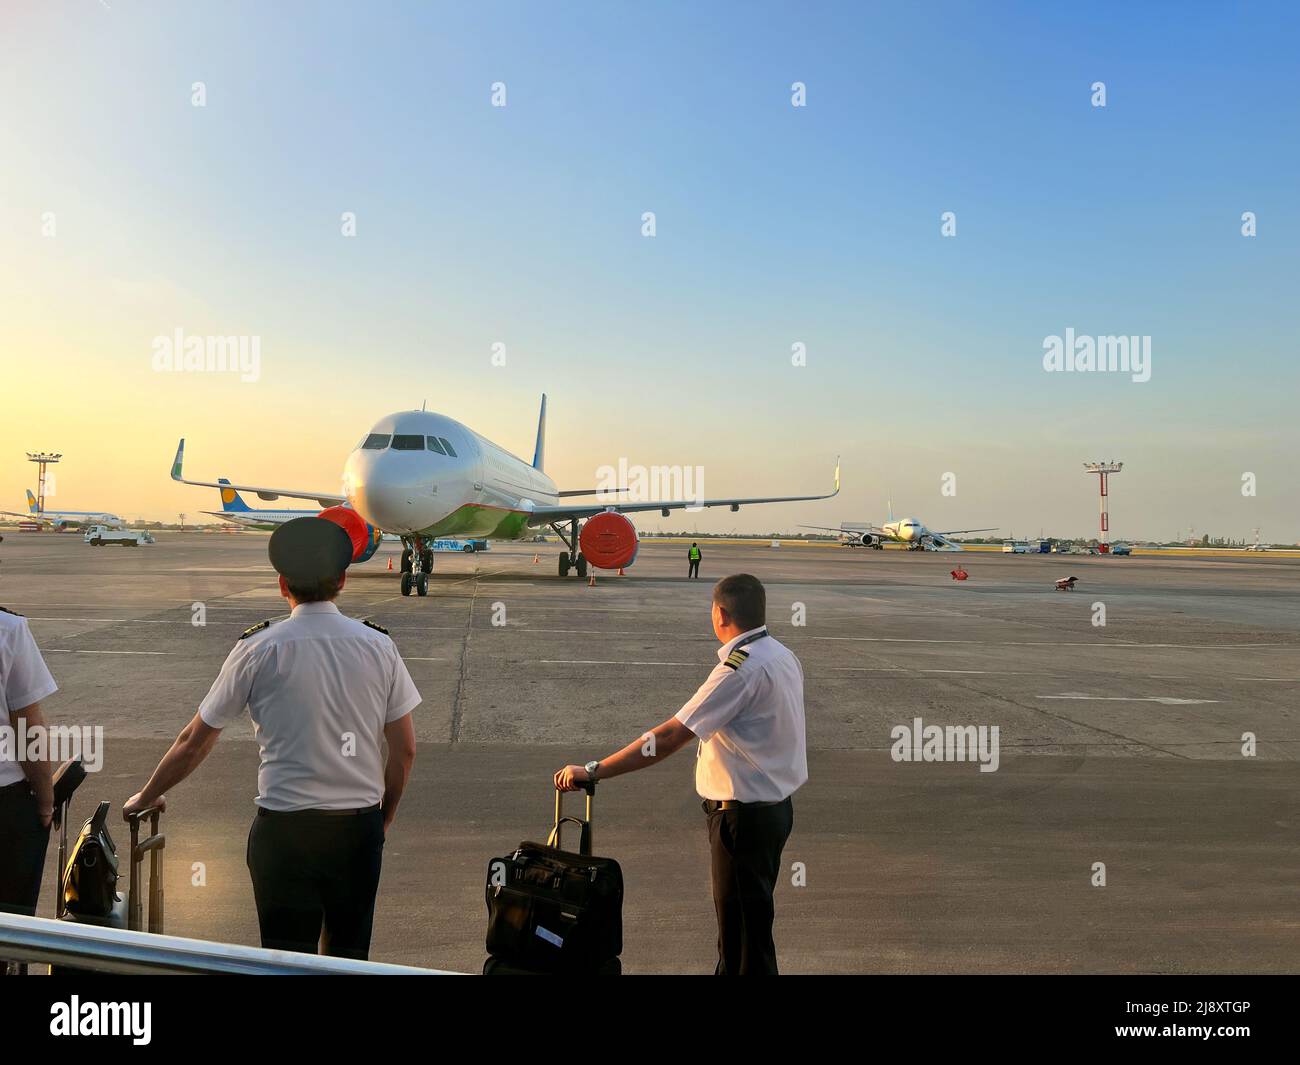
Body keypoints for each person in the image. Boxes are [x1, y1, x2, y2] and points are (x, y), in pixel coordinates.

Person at [124, 517, 420, 959]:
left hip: (285, 832)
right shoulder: (378, 647)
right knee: (349, 958)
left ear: (283, 584)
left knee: (284, 959)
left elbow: (195, 739)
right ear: (342, 579)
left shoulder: (258, 647)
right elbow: (404, 750)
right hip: (356, 830)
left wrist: (148, 794)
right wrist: (382, 818)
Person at [555, 573, 806, 975]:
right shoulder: (780, 654)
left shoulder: (738, 669)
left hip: (742, 821)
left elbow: (670, 736)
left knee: (742, 943)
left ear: (720, 613)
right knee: (749, 935)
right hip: (773, 812)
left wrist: (594, 770)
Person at [0, 597, 58, 925]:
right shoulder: (8, 630)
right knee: (10, 930)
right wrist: (45, 800)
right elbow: (28, 726)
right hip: (5, 805)